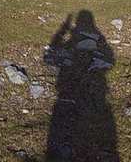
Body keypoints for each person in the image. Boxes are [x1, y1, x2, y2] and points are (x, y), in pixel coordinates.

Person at [44, 10, 119, 162]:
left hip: (75, 99)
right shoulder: (95, 50)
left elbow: (50, 56)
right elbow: (109, 59)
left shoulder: (76, 54)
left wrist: (63, 32)